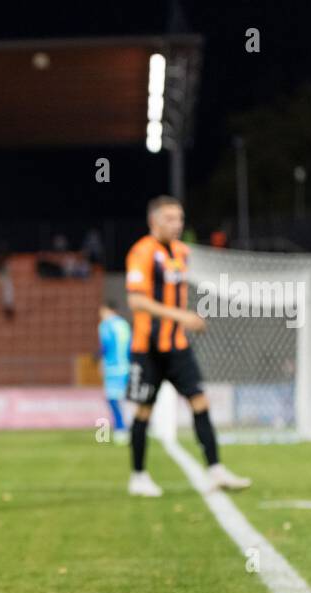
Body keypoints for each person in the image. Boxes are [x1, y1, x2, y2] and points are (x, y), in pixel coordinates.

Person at [124, 196, 250, 497]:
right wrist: (182, 316)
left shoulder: (182, 252)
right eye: (170, 218)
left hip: (177, 345)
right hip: (148, 349)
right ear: (154, 221)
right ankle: (138, 476)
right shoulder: (141, 252)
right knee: (143, 411)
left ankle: (216, 469)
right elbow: (136, 300)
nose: (177, 224)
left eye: (180, 218)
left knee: (199, 402)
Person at [97, 303, 131, 445]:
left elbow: (107, 345)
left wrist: (98, 358)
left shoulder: (105, 325)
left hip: (113, 367)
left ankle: (121, 429)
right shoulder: (124, 325)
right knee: (128, 398)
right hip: (127, 366)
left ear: (108, 310)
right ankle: (131, 427)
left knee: (112, 399)